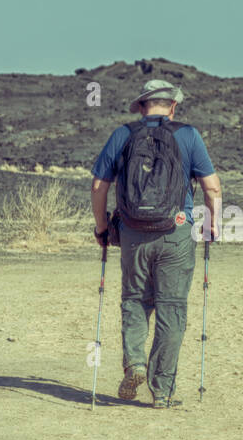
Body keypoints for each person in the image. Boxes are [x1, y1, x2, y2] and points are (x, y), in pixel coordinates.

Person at [91, 80, 221, 407]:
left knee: (135, 298)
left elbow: (98, 186)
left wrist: (102, 228)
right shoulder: (188, 135)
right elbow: (213, 188)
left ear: (141, 107)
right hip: (176, 232)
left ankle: (134, 362)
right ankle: (161, 391)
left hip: (133, 232)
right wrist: (212, 225)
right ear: (173, 107)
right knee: (172, 308)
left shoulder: (123, 134)